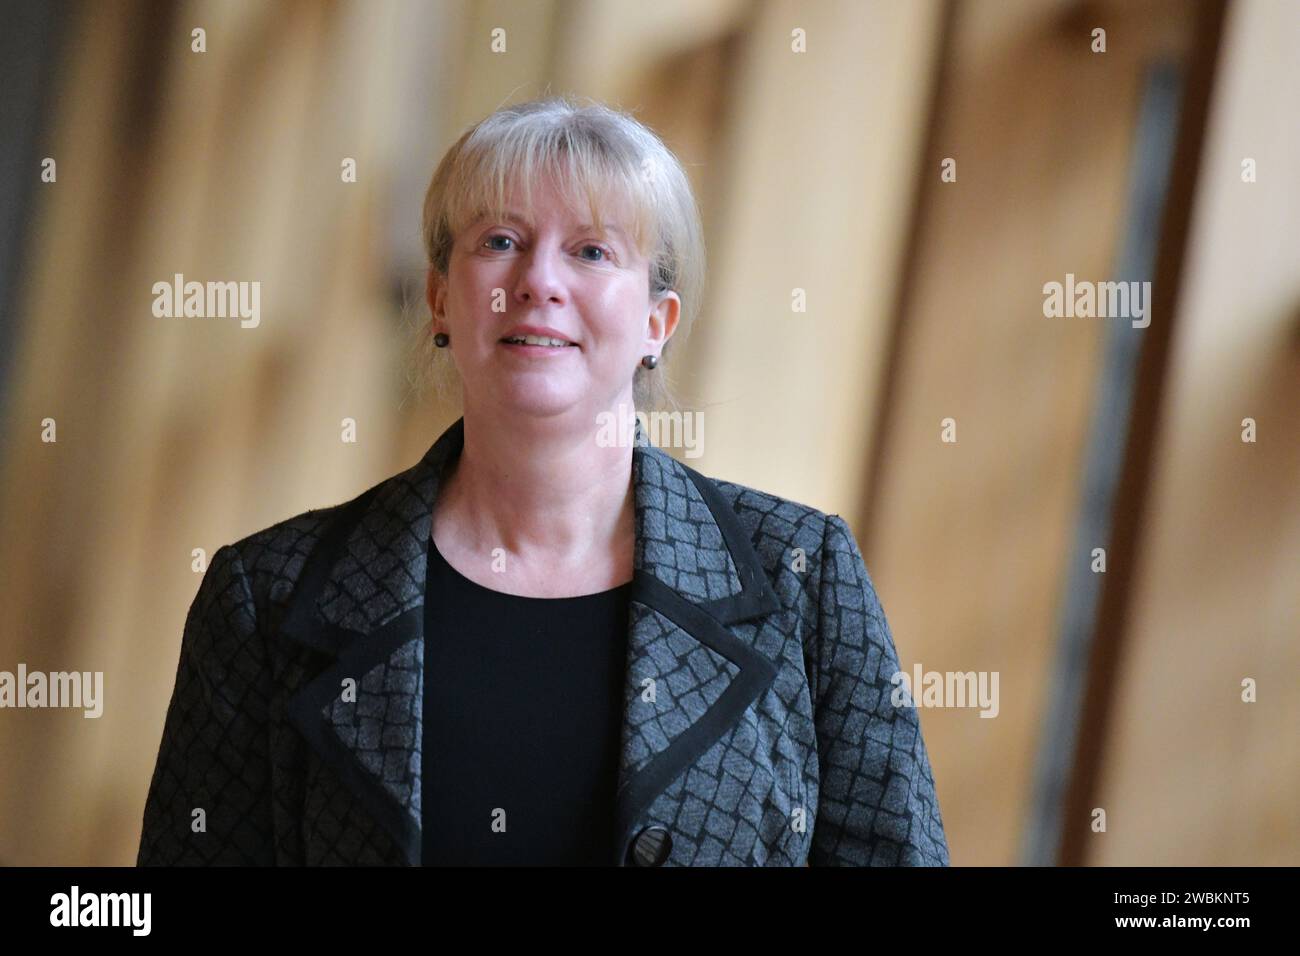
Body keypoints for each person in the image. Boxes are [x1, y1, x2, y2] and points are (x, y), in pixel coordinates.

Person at [137, 95, 950, 866]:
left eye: (592, 251)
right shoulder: (265, 596)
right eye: (499, 241)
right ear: (440, 299)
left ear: (656, 323)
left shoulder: (804, 576)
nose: (538, 282)